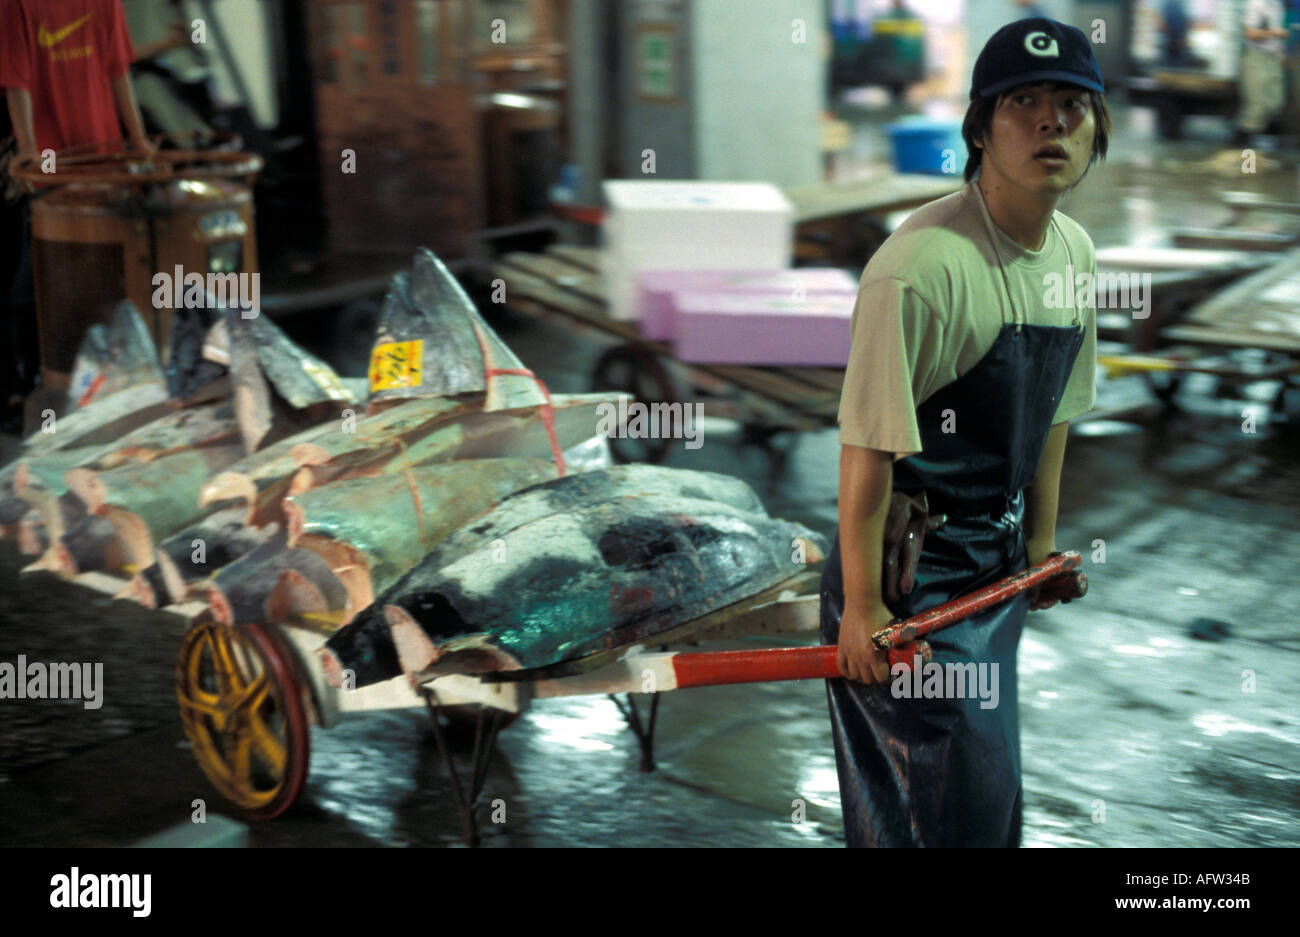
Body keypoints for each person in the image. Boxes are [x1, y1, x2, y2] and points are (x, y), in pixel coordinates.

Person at [820, 16, 1108, 847]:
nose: (1051, 121)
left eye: (1072, 103)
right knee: (942, 803)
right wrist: (863, 606)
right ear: (980, 127)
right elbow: (868, 444)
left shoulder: (1074, 252)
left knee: (982, 797)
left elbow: (1055, 412)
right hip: (909, 573)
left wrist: (1040, 554)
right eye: (1024, 101)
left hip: (993, 560)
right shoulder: (920, 268)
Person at [1, 0, 153, 409]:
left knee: (98, 279)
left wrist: (137, 142)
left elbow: (117, 68)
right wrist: (31, 151)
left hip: (101, 161)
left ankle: (97, 383)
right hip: (57, 172)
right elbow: (18, 82)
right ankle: (50, 385)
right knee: (42, 286)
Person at [1233, 0, 1289, 148]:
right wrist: (1272, 33)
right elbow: (1249, 33)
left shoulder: (1277, 5)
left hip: (1272, 57)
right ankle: (1242, 146)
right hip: (1255, 55)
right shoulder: (1257, 4)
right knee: (1257, 102)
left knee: (1276, 100)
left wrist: (1280, 55)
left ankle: (1254, 133)